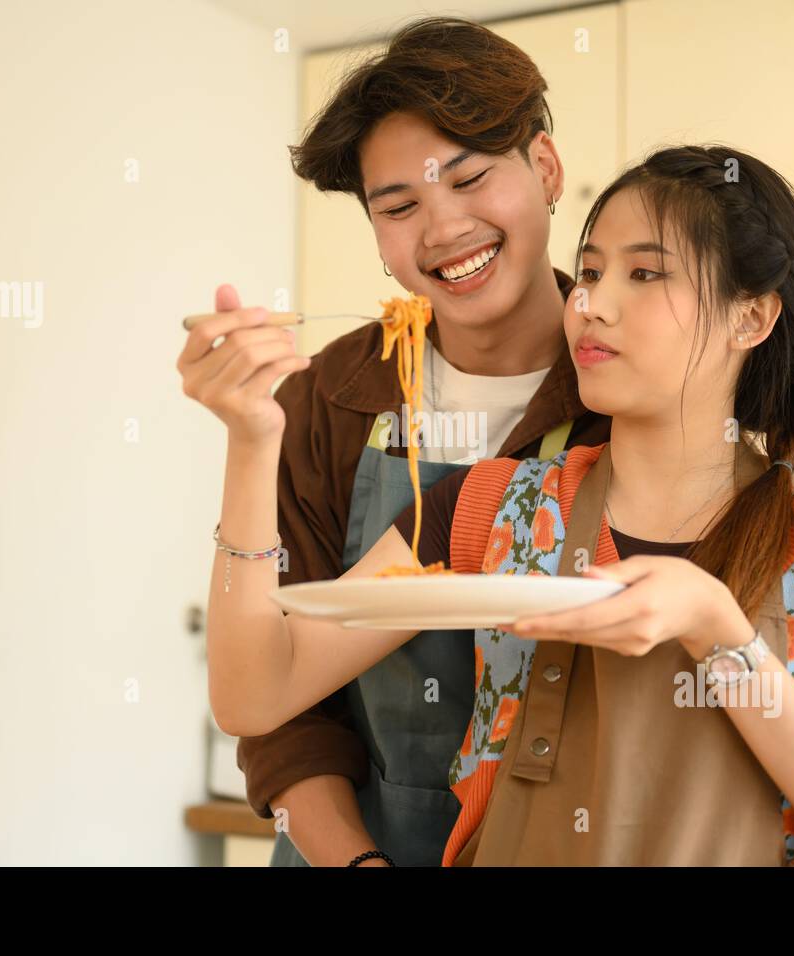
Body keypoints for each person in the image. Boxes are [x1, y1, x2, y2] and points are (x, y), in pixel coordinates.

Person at [185, 143, 794, 866]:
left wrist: (717, 630)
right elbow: (257, 691)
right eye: (589, 271)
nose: (592, 303)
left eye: (645, 276)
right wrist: (253, 440)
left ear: (750, 317)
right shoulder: (495, 507)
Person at [179, 17, 610, 867]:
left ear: (547, 169)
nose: (443, 229)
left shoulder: (623, 387)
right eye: (400, 206)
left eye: (471, 178)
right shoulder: (333, 395)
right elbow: (275, 706)